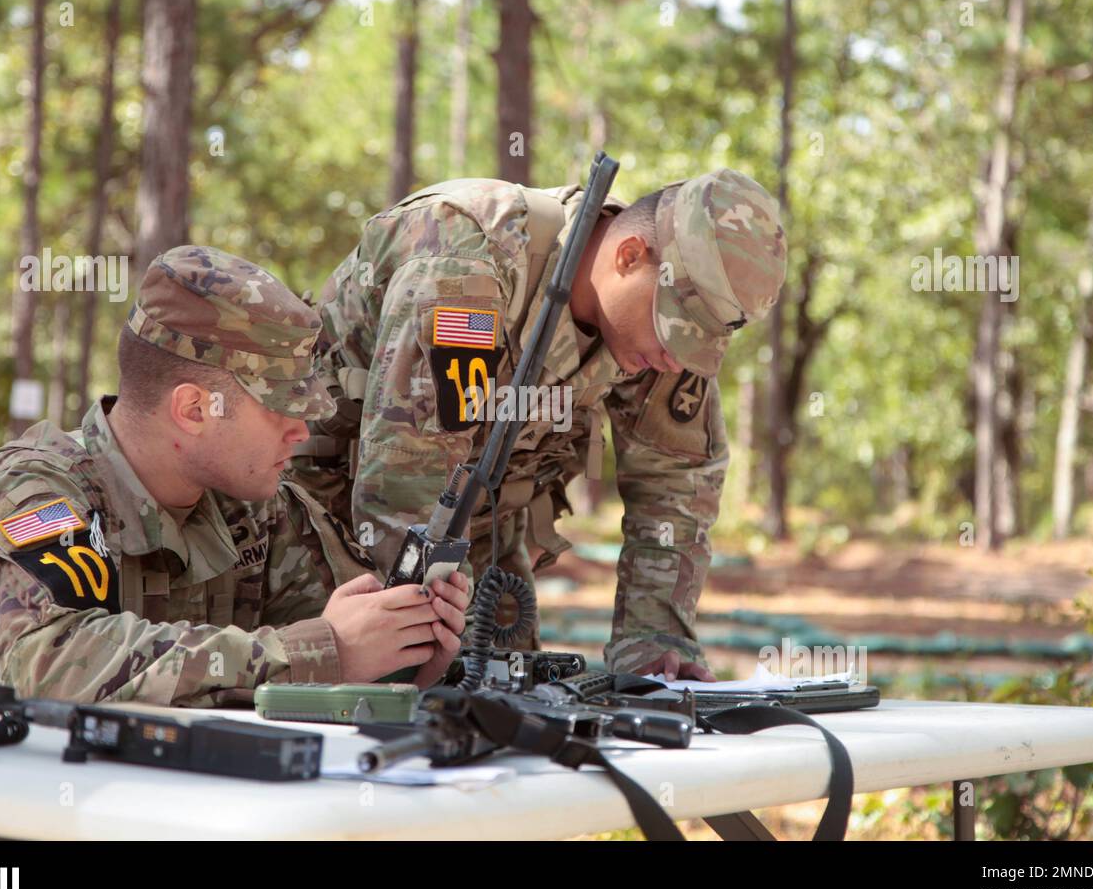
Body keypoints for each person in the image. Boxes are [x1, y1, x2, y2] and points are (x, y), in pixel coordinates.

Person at [0, 246, 470, 708]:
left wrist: (411, 649)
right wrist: (317, 650)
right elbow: (54, 665)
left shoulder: (256, 510)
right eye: (280, 409)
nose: (301, 431)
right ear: (194, 409)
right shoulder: (33, 496)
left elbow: (333, 662)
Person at [289, 169, 786, 680]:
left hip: (480, 535)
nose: (677, 359)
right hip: (326, 532)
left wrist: (652, 642)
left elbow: (676, 481)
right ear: (630, 256)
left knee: (514, 711)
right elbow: (408, 480)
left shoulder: (658, 330)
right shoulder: (470, 261)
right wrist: (428, 661)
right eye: (677, 328)